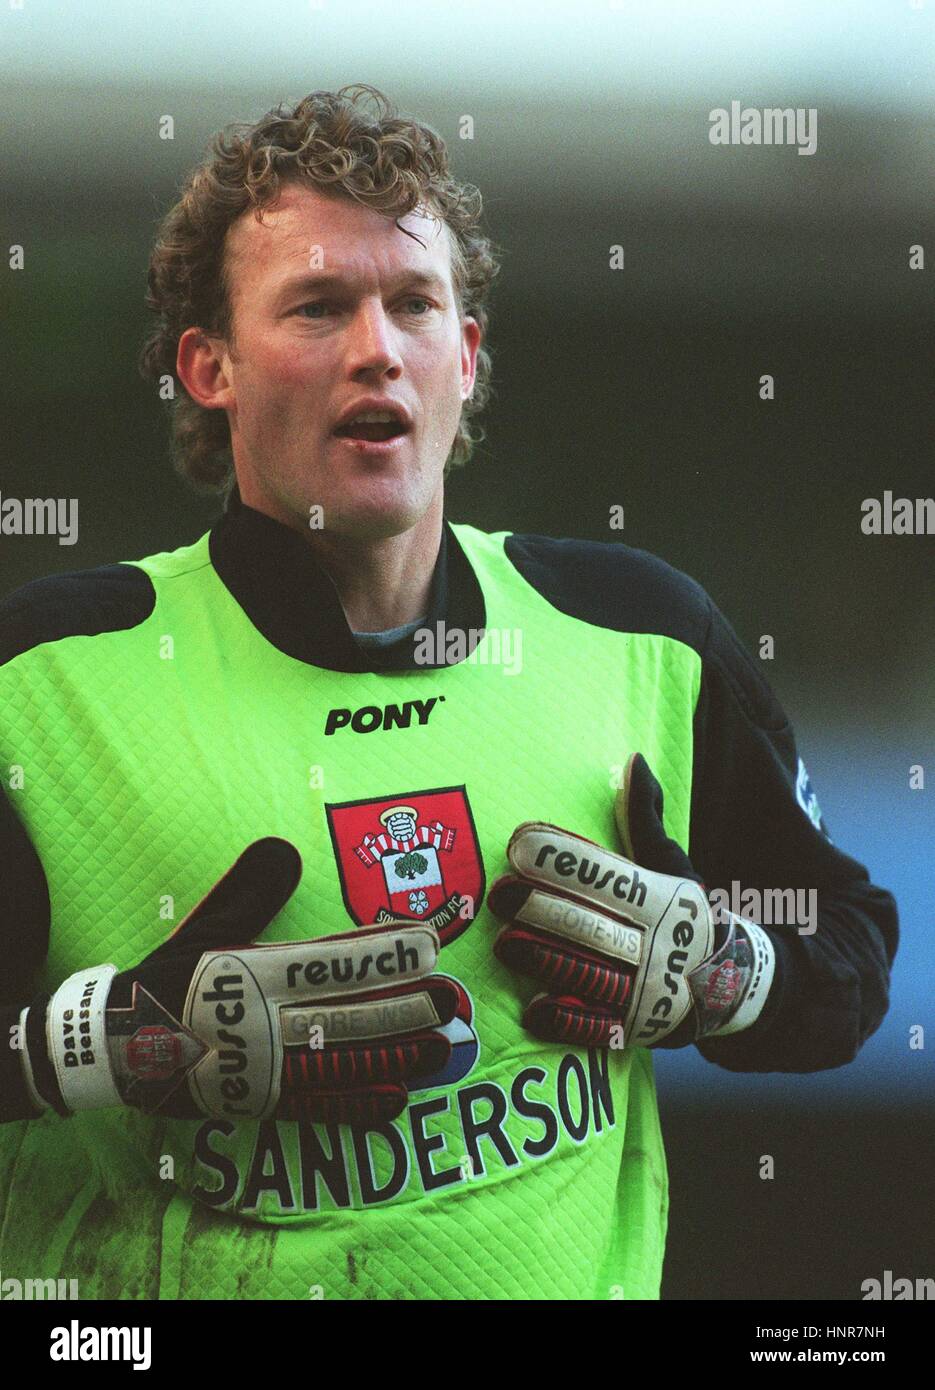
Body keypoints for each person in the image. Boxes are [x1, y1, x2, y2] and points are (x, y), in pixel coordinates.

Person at [0, 84, 897, 1301]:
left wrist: (721, 974)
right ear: (204, 367)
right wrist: (102, 1047)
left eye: (413, 304)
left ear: (465, 358)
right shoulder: (42, 679)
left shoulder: (643, 634)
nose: (377, 346)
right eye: (318, 306)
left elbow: (848, 958)